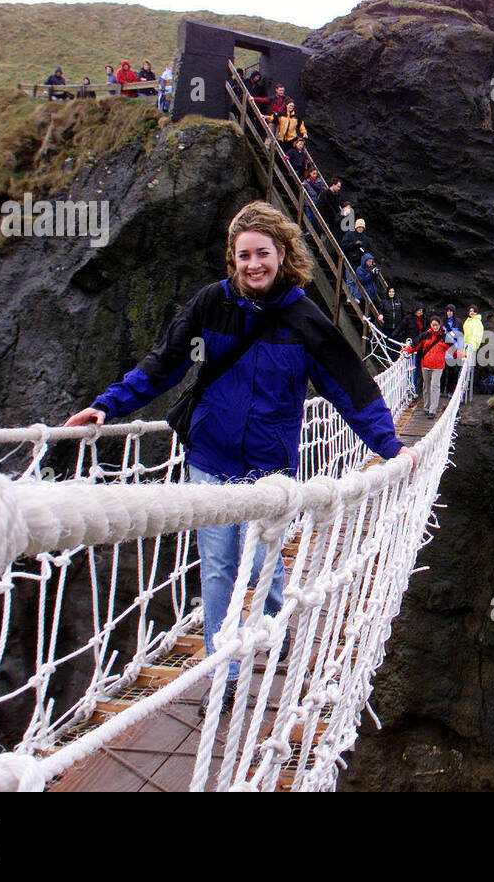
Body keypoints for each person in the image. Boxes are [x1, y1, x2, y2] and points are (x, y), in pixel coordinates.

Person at [63, 201, 414, 715]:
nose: (254, 264)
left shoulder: (305, 319)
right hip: (210, 460)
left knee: (266, 567)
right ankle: (224, 677)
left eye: (263, 253)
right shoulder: (211, 306)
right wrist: (104, 406)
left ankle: (276, 627)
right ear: (233, 257)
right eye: (243, 254)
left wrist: (390, 447)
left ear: (282, 254)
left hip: (270, 471)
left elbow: (351, 389)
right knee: (219, 571)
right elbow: (163, 366)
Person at [404, 317, 463, 418]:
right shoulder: (425, 335)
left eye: (437, 325)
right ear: (431, 325)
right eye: (433, 325)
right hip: (425, 365)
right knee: (426, 387)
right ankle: (426, 407)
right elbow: (415, 345)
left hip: (438, 366)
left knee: (435, 386)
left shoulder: (444, 338)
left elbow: (453, 351)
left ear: (440, 325)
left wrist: (463, 356)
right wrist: (406, 350)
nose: (435, 327)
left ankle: (432, 410)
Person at [463, 306, 484, 401]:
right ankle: (463, 394)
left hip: (471, 349)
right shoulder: (468, 321)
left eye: (473, 311)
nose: (471, 313)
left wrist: (473, 346)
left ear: (476, 313)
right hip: (465, 348)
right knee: (464, 372)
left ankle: (467, 396)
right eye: (470, 311)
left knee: (468, 371)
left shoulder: (477, 323)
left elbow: (477, 336)